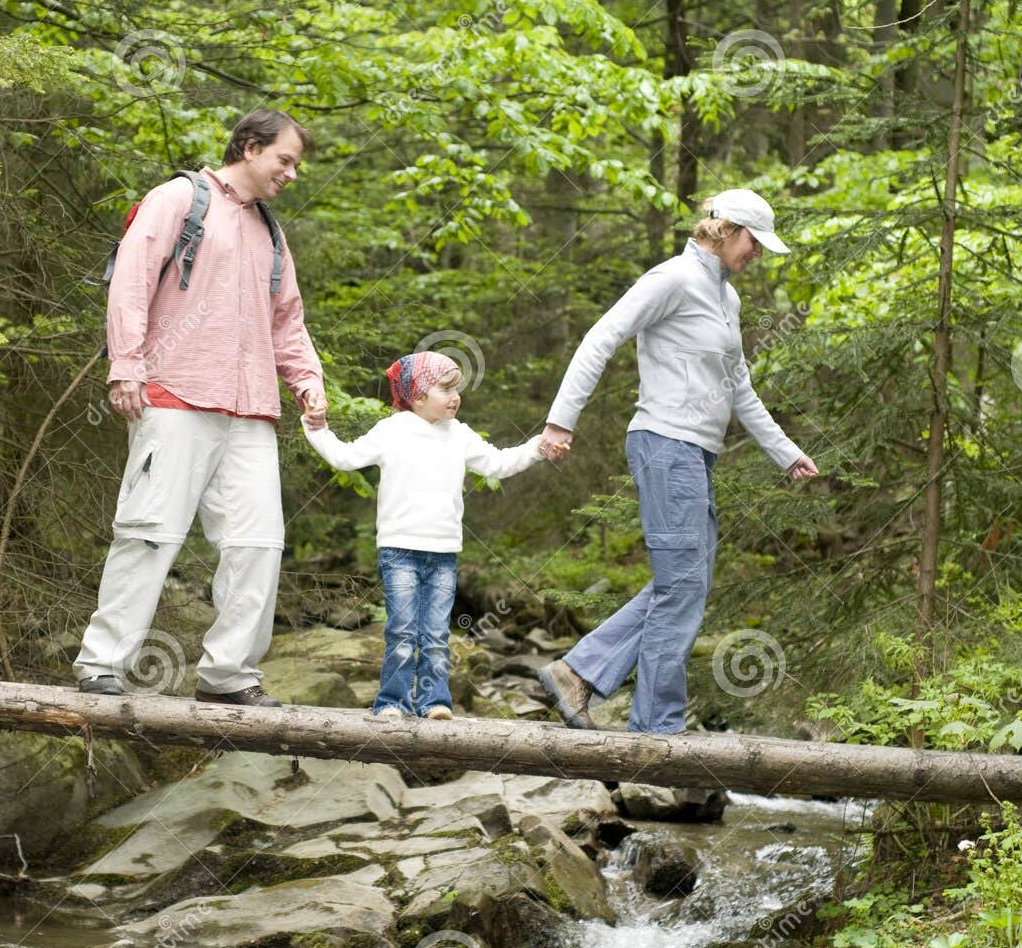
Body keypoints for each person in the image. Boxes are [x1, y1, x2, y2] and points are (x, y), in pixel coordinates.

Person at [535, 189, 819, 735]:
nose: (758, 254)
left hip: (694, 454)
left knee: (684, 583)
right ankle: (656, 727)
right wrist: (559, 420)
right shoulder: (671, 279)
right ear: (727, 230)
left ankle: (579, 671)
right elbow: (601, 338)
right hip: (664, 444)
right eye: (755, 242)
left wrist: (786, 452)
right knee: (683, 586)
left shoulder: (726, 300)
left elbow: (740, 388)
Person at [74, 109, 327, 706]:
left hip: (252, 409)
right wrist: (126, 365)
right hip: (174, 394)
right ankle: (103, 666)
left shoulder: (272, 233)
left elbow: (287, 320)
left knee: (258, 543)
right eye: (283, 160)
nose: (291, 174)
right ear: (248, 146)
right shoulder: (178, 199)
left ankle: (228, 675)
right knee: (148, 535)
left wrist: (307, 381)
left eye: (296, 165)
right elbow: (131, 281)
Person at [304, 352, 545, 719]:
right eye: (445, 388)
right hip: (399, 550)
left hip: (444, 553)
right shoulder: (392, 430)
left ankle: (434, 702)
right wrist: (317, 427)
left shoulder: (459, 434)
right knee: (402, 631)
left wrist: (538, 447)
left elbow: (498, 462)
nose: (455, 396)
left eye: (457, 388)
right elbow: (345, 457)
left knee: (435, 635)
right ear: (417, 396)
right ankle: (392, 702)